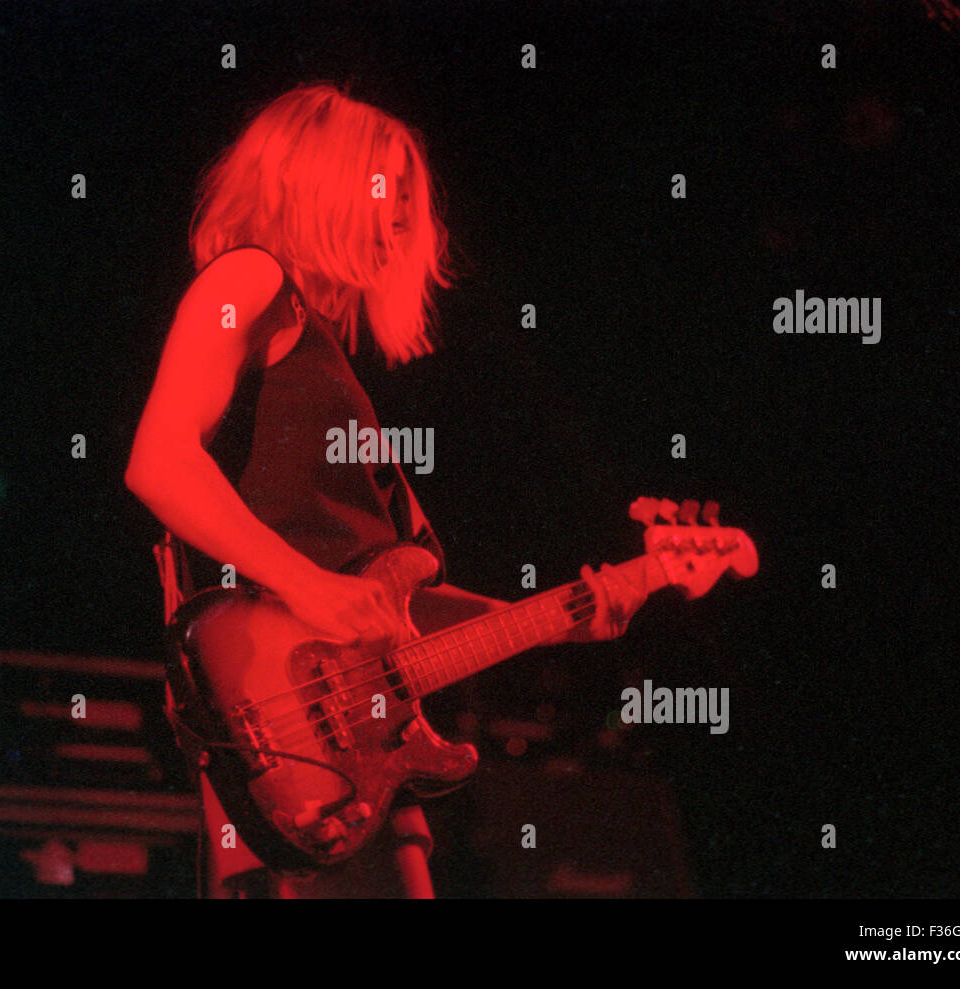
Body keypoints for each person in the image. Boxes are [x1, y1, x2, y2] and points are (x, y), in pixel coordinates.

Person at [125, 81, 646, 897]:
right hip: (280, 742)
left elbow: (386, 610)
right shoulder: (248, 281)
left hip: (361, 755)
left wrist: (557, 622)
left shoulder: (332, 362)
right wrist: (312, 590)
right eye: (387, 193)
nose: (406, 220)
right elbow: (158, 460)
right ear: (315, 181)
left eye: (411, 200)